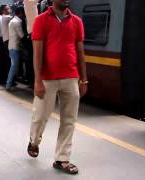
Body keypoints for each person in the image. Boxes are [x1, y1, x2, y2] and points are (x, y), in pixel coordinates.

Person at [27, 0, 87, 175]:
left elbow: (80, 50)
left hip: (71, 77)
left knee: (69, 120)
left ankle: (62, 159)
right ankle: (34, 141)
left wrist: (84, 79)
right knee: (40, 117)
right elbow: (37, 53)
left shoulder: (76, 21)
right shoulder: (41, 20)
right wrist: (37, 80)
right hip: (47, 78)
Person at [6, 6, 25, 91]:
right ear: (20, 13)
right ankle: (8, 85)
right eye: (23, 13)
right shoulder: (17, 22)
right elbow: (21, 35)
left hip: (12, 47)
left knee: (13, 66)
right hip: (15, 47)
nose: (24, 15)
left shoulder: (12, 21)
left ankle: (10, 84)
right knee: (14, 67)